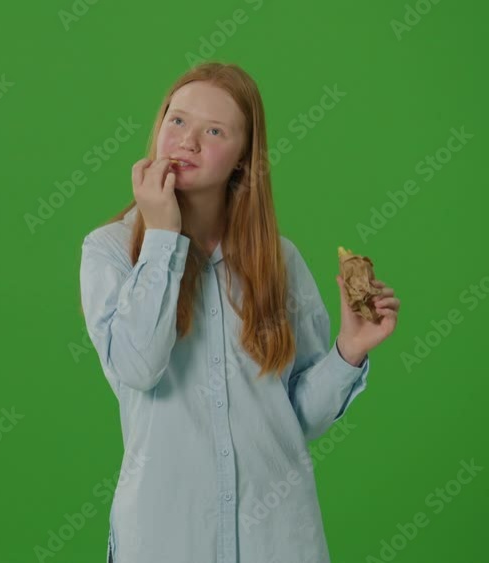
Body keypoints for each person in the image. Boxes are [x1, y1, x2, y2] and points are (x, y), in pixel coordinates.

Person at [79, 62, 400, 562]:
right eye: (177, 120)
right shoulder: (111, 252)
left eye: (214, 131)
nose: (187, 142)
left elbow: (295, 420)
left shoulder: (279, 261)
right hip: (166, 542)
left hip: (279, 541)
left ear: (243, 159)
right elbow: (138, 368)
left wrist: (349, 351)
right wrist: (162, 237)